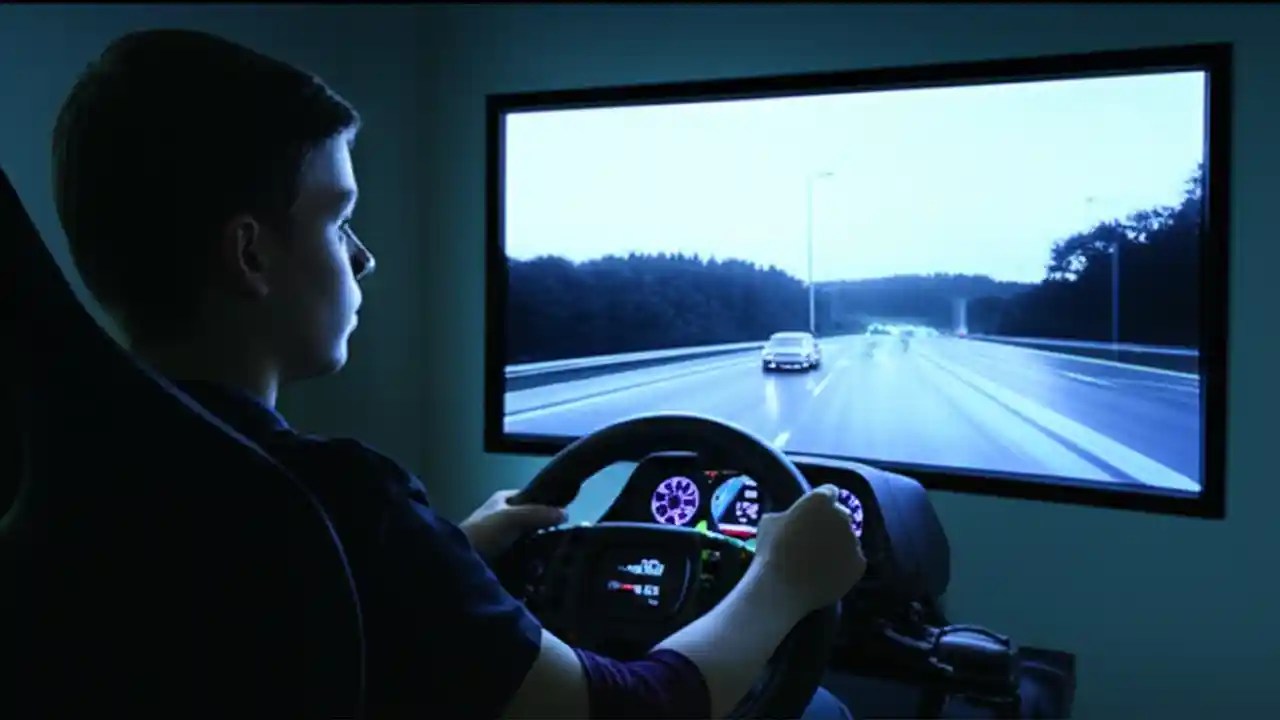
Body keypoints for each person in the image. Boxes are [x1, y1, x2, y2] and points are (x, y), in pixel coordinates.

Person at [51, 29, 866, 719]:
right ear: (251, 254)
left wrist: (447, 550)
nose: (364, 258)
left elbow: (287, 604)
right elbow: (631, 708)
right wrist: (782, 581)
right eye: (339, 219)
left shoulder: (69, 468)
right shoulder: (344, 498)